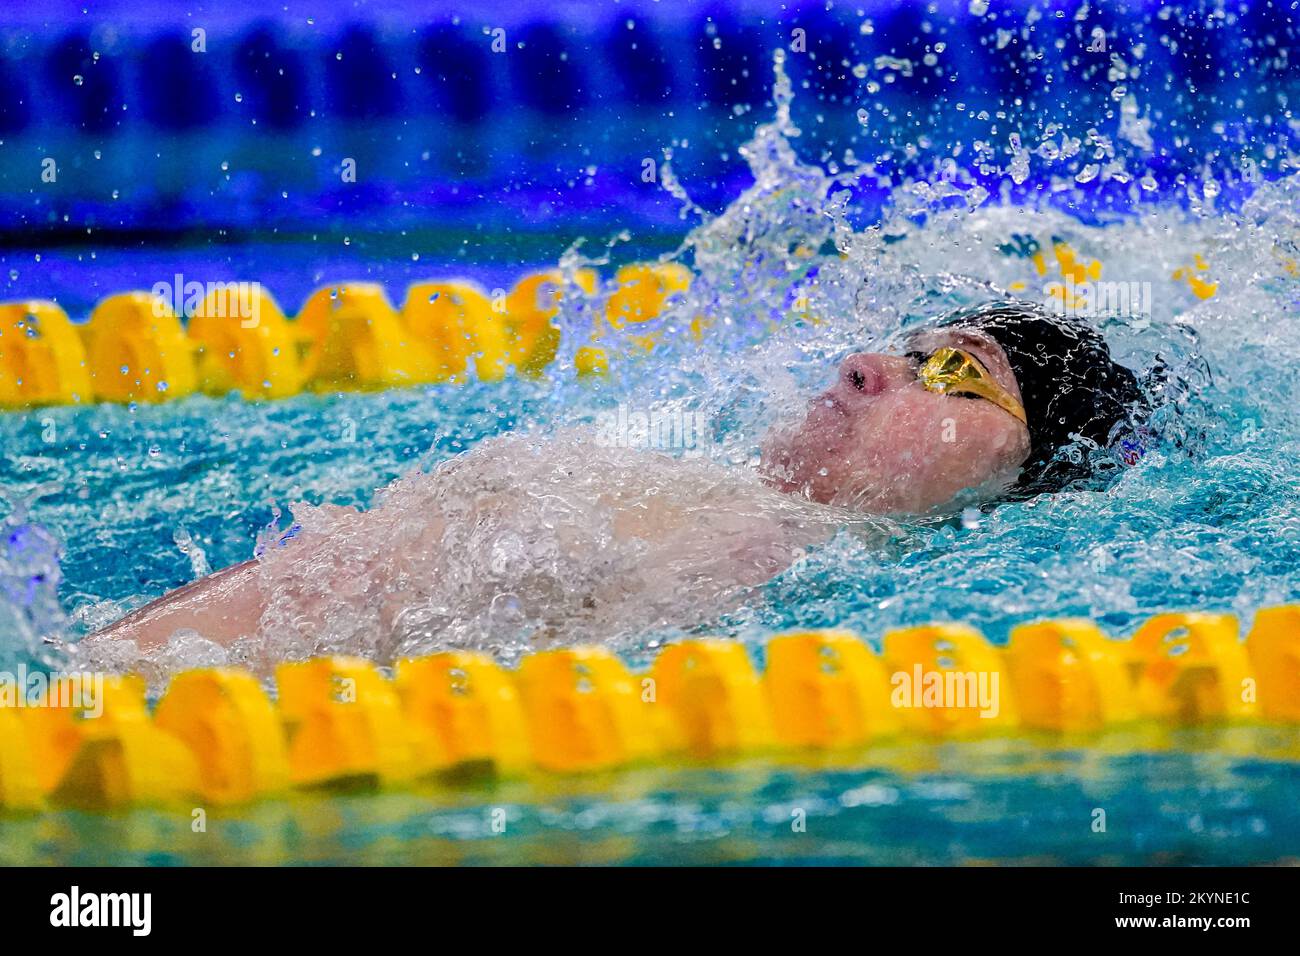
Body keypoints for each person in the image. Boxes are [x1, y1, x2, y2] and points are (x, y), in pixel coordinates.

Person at [86, 300, 1150, 661]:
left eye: (958, 371)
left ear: (1026, 483)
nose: (868, 364)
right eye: (904, 343)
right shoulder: (706, 491)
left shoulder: (770, 555)